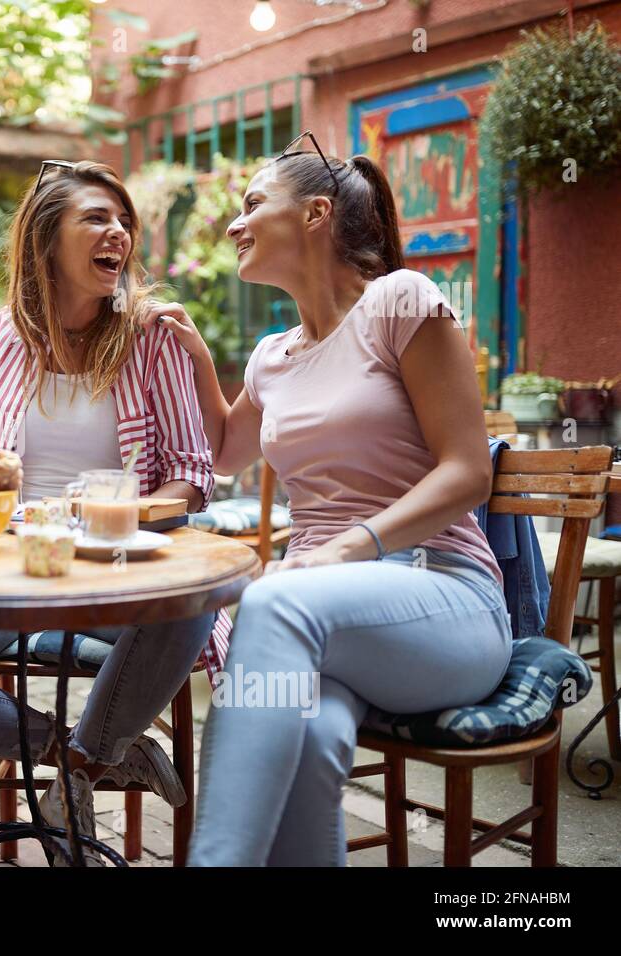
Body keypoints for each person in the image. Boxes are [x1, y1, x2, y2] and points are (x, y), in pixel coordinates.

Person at [147, 134, 510, 866]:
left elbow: (469, 471)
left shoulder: (400, 301)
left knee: (270, 599)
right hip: (321, 622)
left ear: (315, 213)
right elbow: (224, 454)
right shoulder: (273, 356)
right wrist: (189, 357)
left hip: (441, 597)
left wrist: (349, 545)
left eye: (253, 205)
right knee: (306, 742)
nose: (233, 225)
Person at [0, 160, 230, 864]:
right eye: (97, 219)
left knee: (194, 596)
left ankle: (77, 773)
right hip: (15, 568)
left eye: (124, 222)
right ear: (46, 242)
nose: (119, 233)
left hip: (115, 573)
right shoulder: (3, 336)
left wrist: (122, 510)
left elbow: (193, 480)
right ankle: (69, 750)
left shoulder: (153, 336)